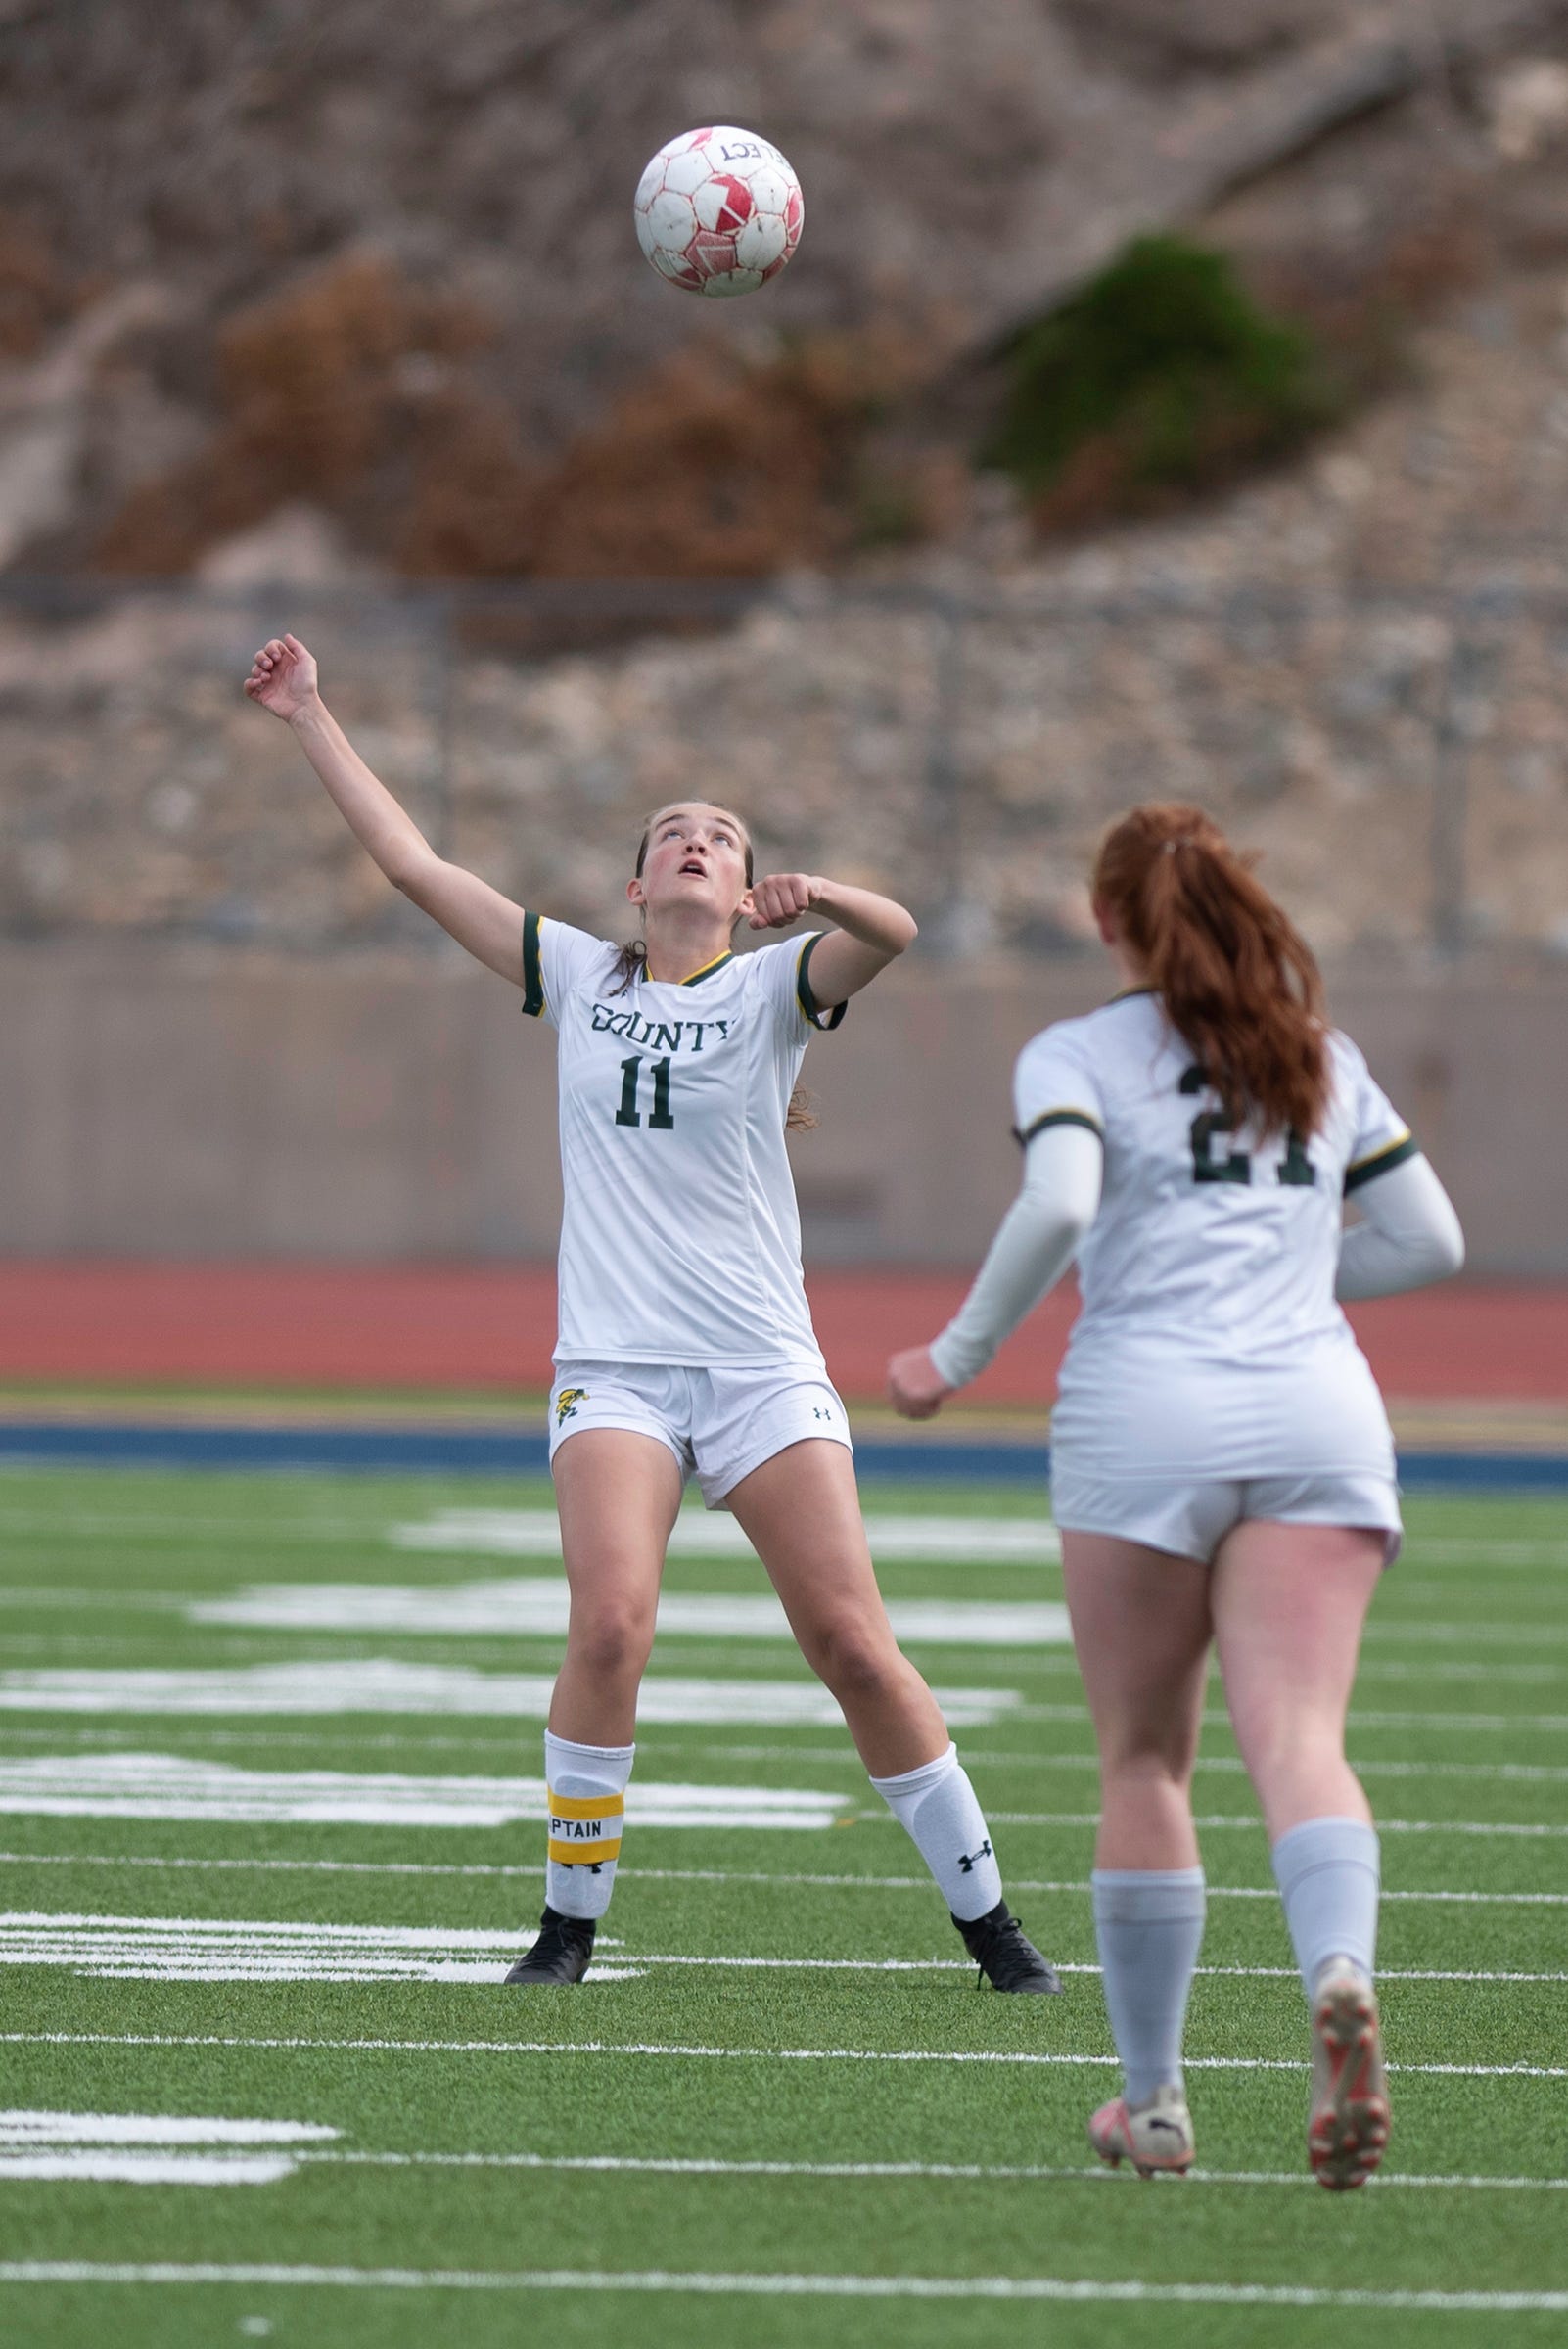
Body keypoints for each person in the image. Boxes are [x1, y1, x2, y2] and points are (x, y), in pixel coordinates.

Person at [246, 631, 1060, 1996]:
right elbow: (413, 867)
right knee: (611, 1627)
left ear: (743, 891)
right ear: (637, 884)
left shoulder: (771, 986)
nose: (697, 842)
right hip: (616, 1370)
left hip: (759, 1368)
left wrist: (821, 895)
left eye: (722, 837)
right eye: (674, 832)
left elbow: (896, 934)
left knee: (854, 1648)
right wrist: (311, 713)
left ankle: (994, 1932)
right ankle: (567, 1928)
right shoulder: (577, 975)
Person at [888, 801, 1464, 2189]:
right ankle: (1337, 1970)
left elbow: (1059, 1205)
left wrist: (953, 1356)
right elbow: (1431, 1240)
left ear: (1105, 920)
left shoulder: (1079, 1052)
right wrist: (1286, 1274)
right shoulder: (1318, 1051)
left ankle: (1152, 2102)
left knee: (1145, 1760)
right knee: (1301, 1740)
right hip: (1318, 1409)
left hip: (1144, 1412)